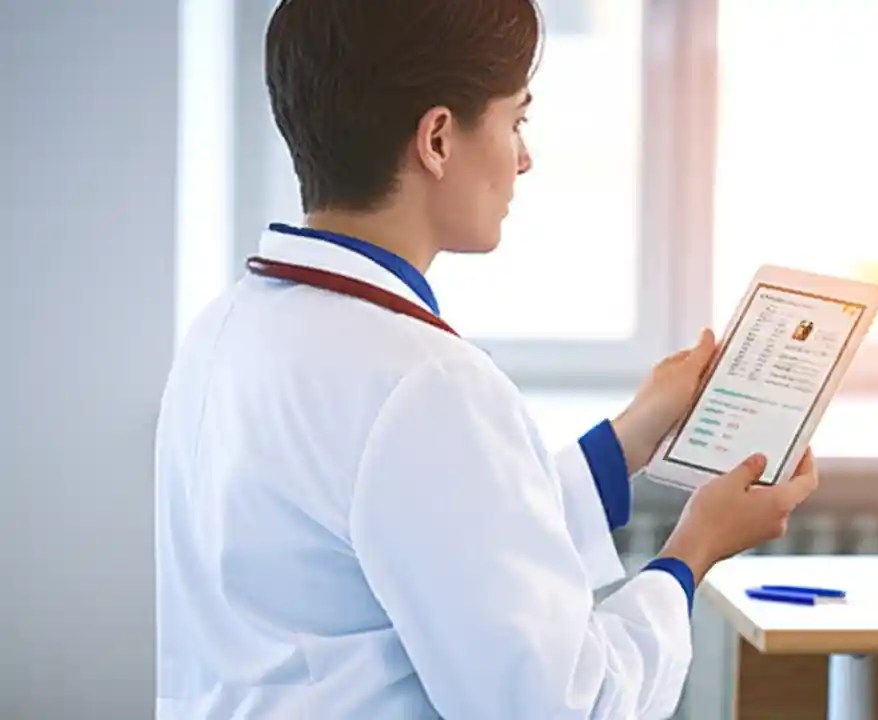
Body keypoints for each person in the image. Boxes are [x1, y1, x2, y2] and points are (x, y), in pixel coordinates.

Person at [154, 1, 819, 718]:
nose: (523, 158)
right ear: (438, 139)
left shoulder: (225, 328)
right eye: (516, 120)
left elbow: (437, 539)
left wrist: (627, 440)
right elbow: (562, 706)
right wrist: (692, 554)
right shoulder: (425, 382)